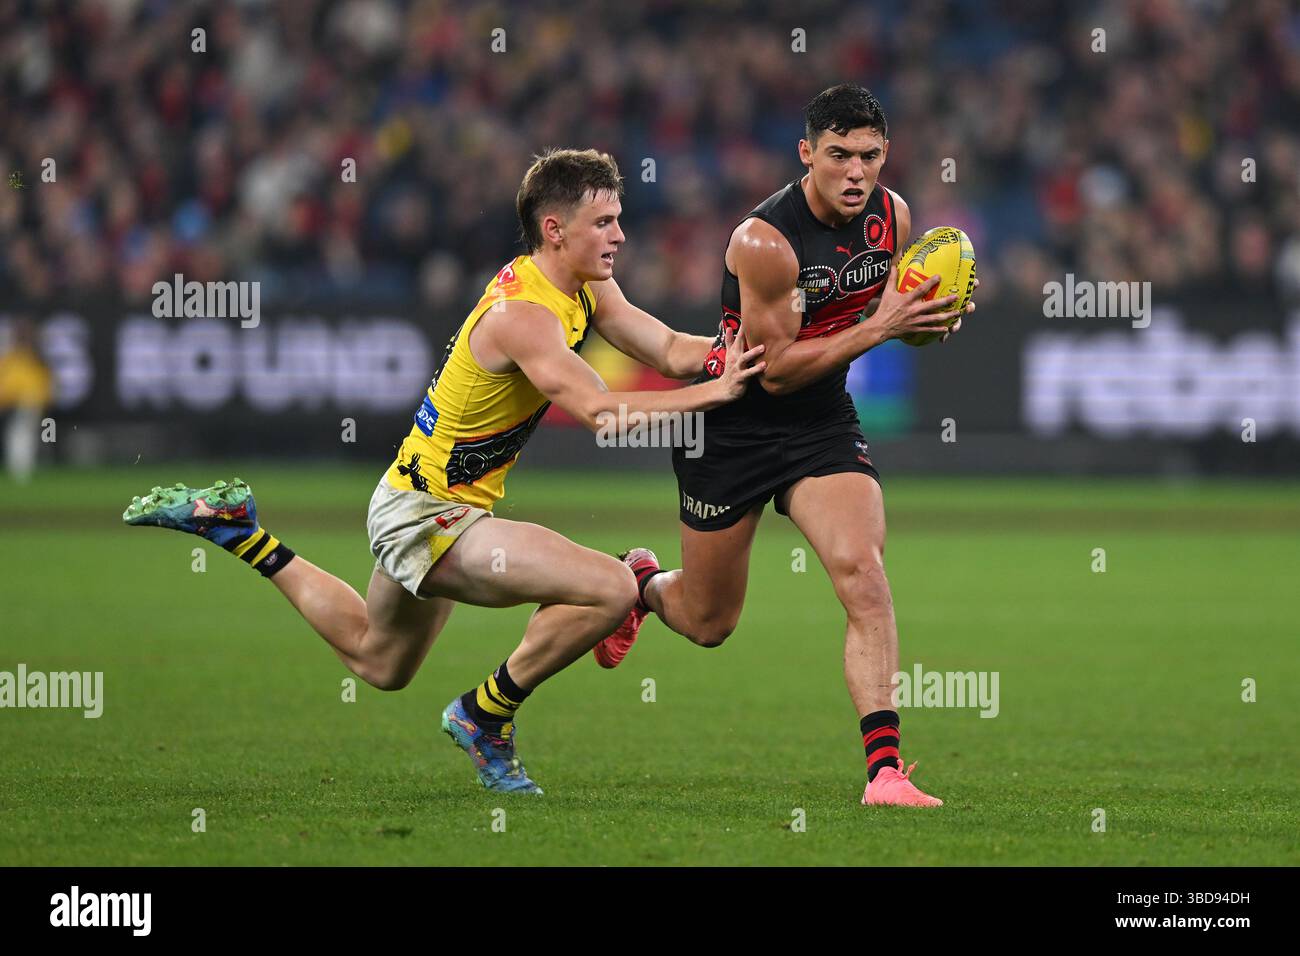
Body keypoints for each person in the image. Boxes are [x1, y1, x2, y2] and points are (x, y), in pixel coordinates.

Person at [124, 148, 765, 794]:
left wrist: (745, 356)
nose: (620, 235)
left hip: (425, 504)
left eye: (618, 219)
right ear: (555, 230)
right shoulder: (523, 316)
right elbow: (599, 412)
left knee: (379, 660)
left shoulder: (586, 286)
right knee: (609, 588)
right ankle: (485, 715)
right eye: (603, 222)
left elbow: (669, 348)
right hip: (428, 515)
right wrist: (715, 394)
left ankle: (240, 532)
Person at [593, 85, 976, 807]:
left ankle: (884, 774)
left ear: (885, 154)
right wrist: (882, 328)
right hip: (733, 423)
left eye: (868, 155)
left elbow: (893, 314)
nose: (855, 171)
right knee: (709, 623)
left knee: (862, 570)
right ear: (807, 153)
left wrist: (930, 318)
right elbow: (773, 369)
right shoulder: (763, 241)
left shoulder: (894, 217)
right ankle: (642, 583)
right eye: (838, 155)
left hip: (820, 420)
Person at [0, 318, 55, 484]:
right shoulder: (11, 359)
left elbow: (44, 386)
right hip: (13, 405)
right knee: (20, 436)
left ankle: (23, 471)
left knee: (25, 435)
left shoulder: (36, 359)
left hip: (31, 406)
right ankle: (21, 470)